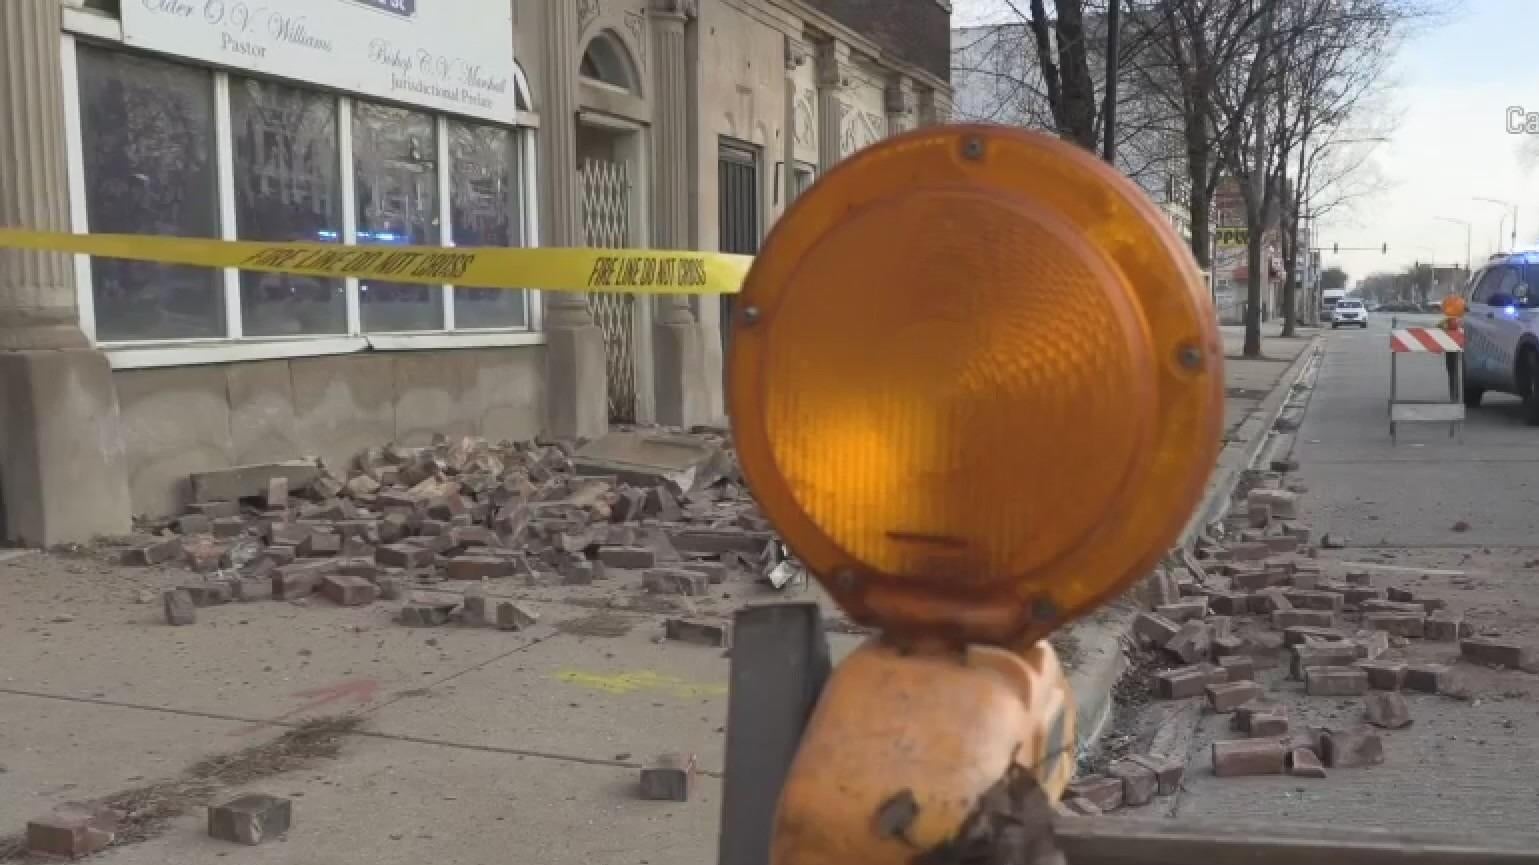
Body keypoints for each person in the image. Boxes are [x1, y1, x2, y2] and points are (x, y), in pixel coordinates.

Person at [1439, 294, 1467, 402]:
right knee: (1455, 371)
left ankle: (1454, 396)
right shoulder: (1462, 321)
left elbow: (1439, 329)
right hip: (1458, 351)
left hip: (1451, 351)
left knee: (1452, 371)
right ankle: (1456, 395)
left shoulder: (1446, 322)